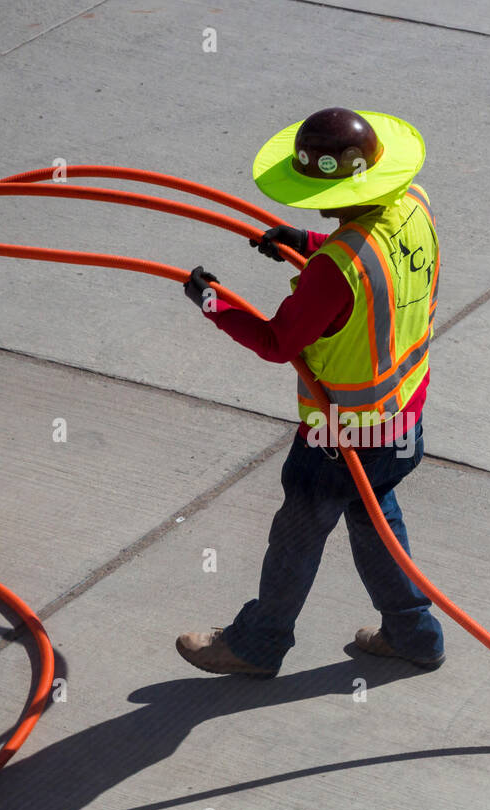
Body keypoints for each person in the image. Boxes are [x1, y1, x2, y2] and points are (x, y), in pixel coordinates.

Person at [176, 107, 443, 678]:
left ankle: (257, 644)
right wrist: (309, 243)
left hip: (339, 435)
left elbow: (278, 340)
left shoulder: (332, 271)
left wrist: (212, 301)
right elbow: (374, 250)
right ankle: (414, 633)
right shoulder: (414, 205)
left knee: (297, 535)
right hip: (403, 419)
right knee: (375, 519)